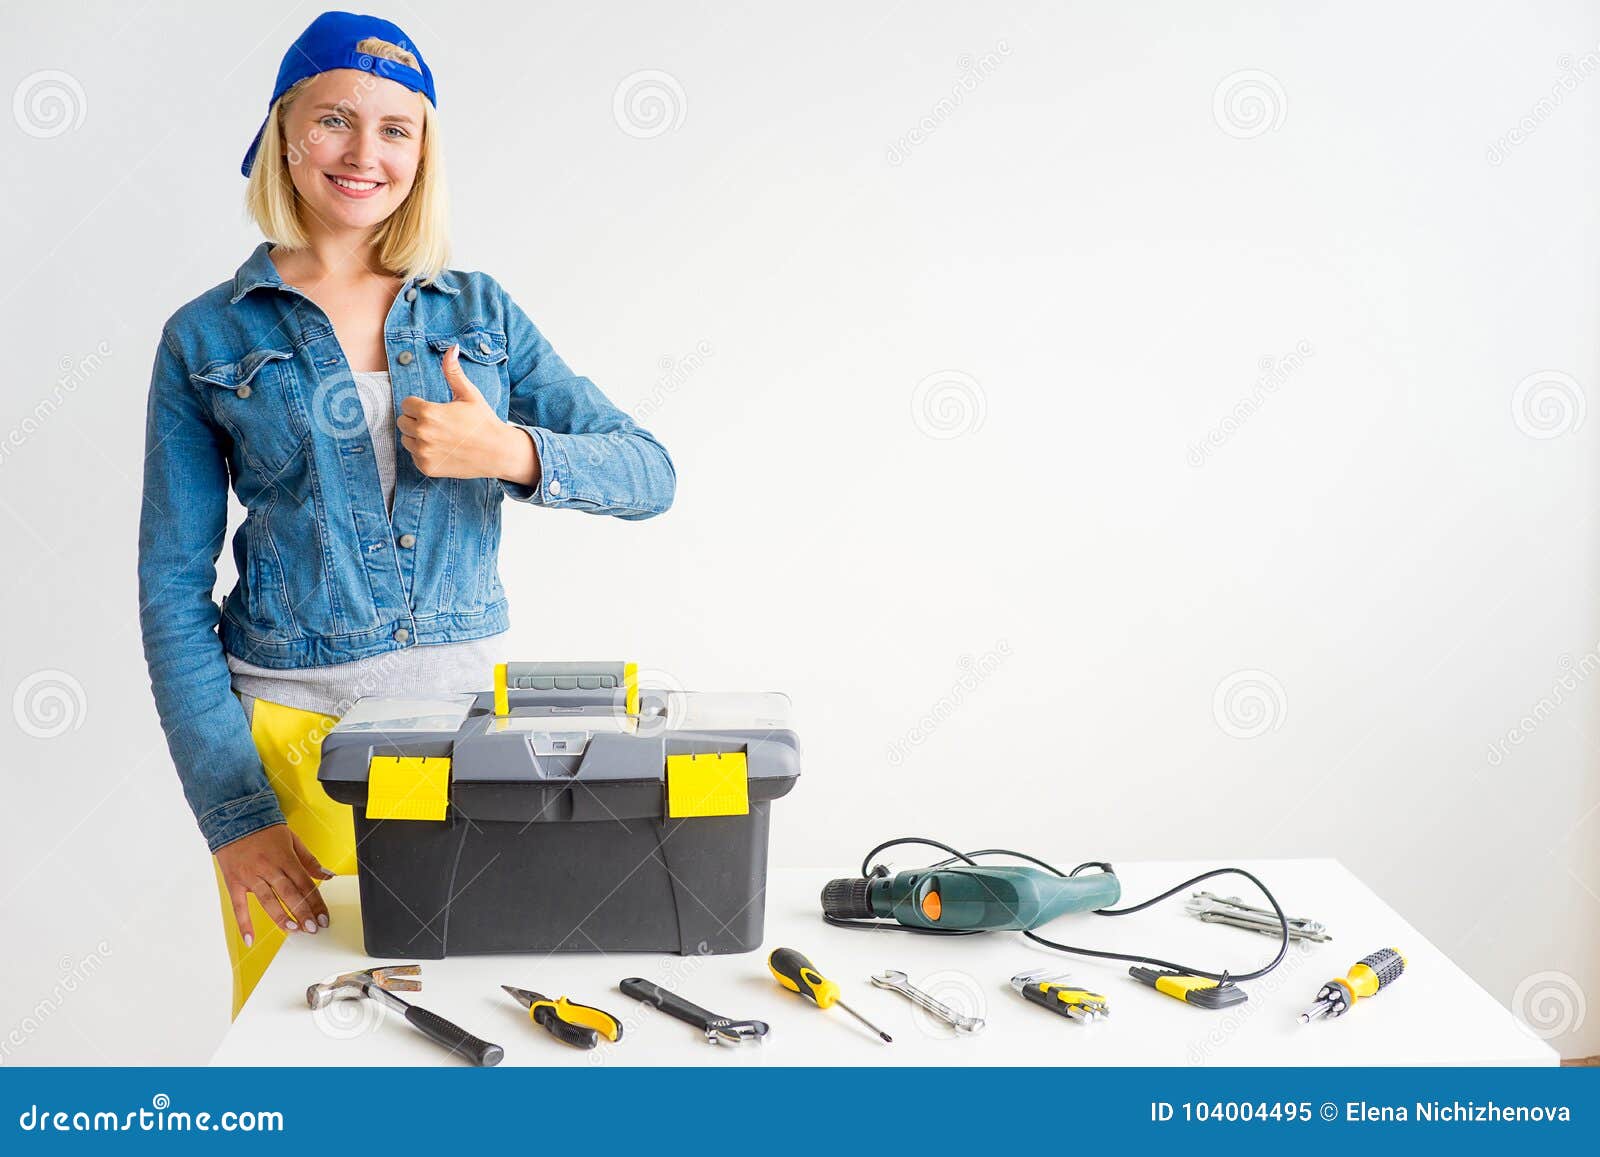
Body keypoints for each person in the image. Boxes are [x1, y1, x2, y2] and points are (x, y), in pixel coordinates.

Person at [137, 11, 676, 1017]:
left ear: (424, 150)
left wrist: (512, 450)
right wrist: (233, 813)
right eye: (334, 119)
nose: (363, 152)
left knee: (470, 1025)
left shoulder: (479, 312)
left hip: (459, 743)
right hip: (289, 747)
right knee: (311, 1035)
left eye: (396, 128)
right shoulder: (205, 335)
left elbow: (649, 473)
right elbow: (172, 585)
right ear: (284, 134)